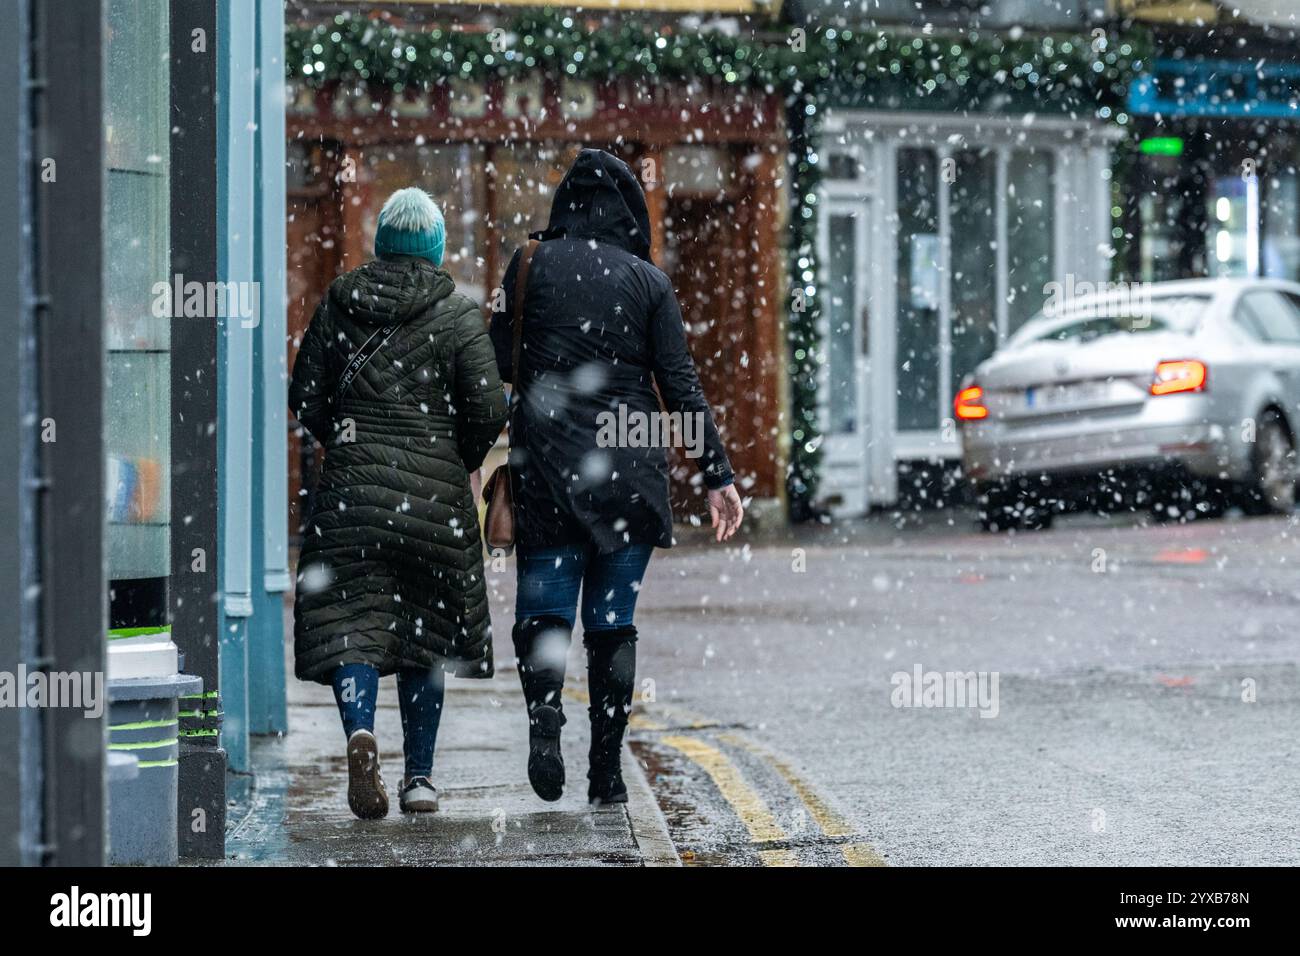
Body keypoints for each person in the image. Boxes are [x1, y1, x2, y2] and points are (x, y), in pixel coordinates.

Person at [492, 148, 744, 806]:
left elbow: (498, 356)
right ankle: (607, 772)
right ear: (630, 213)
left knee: (544, 604)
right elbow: (680, 386)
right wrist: (717, 474)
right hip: (628, 466)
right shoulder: (648, 281)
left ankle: (545, 718)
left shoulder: (528, 264)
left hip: (547, 462)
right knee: (612, 622)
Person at [290, 187, 508, 819]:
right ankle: (419, 779)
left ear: (381, 243)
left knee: (350, 627)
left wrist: (347, 440)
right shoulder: (459, 314)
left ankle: (361, 732)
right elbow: (489, 408)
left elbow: (306, 394)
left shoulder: (339, 300)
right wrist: (455, 456)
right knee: (425, 634)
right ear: (436, 249)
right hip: (434, 506)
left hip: (350, 500)